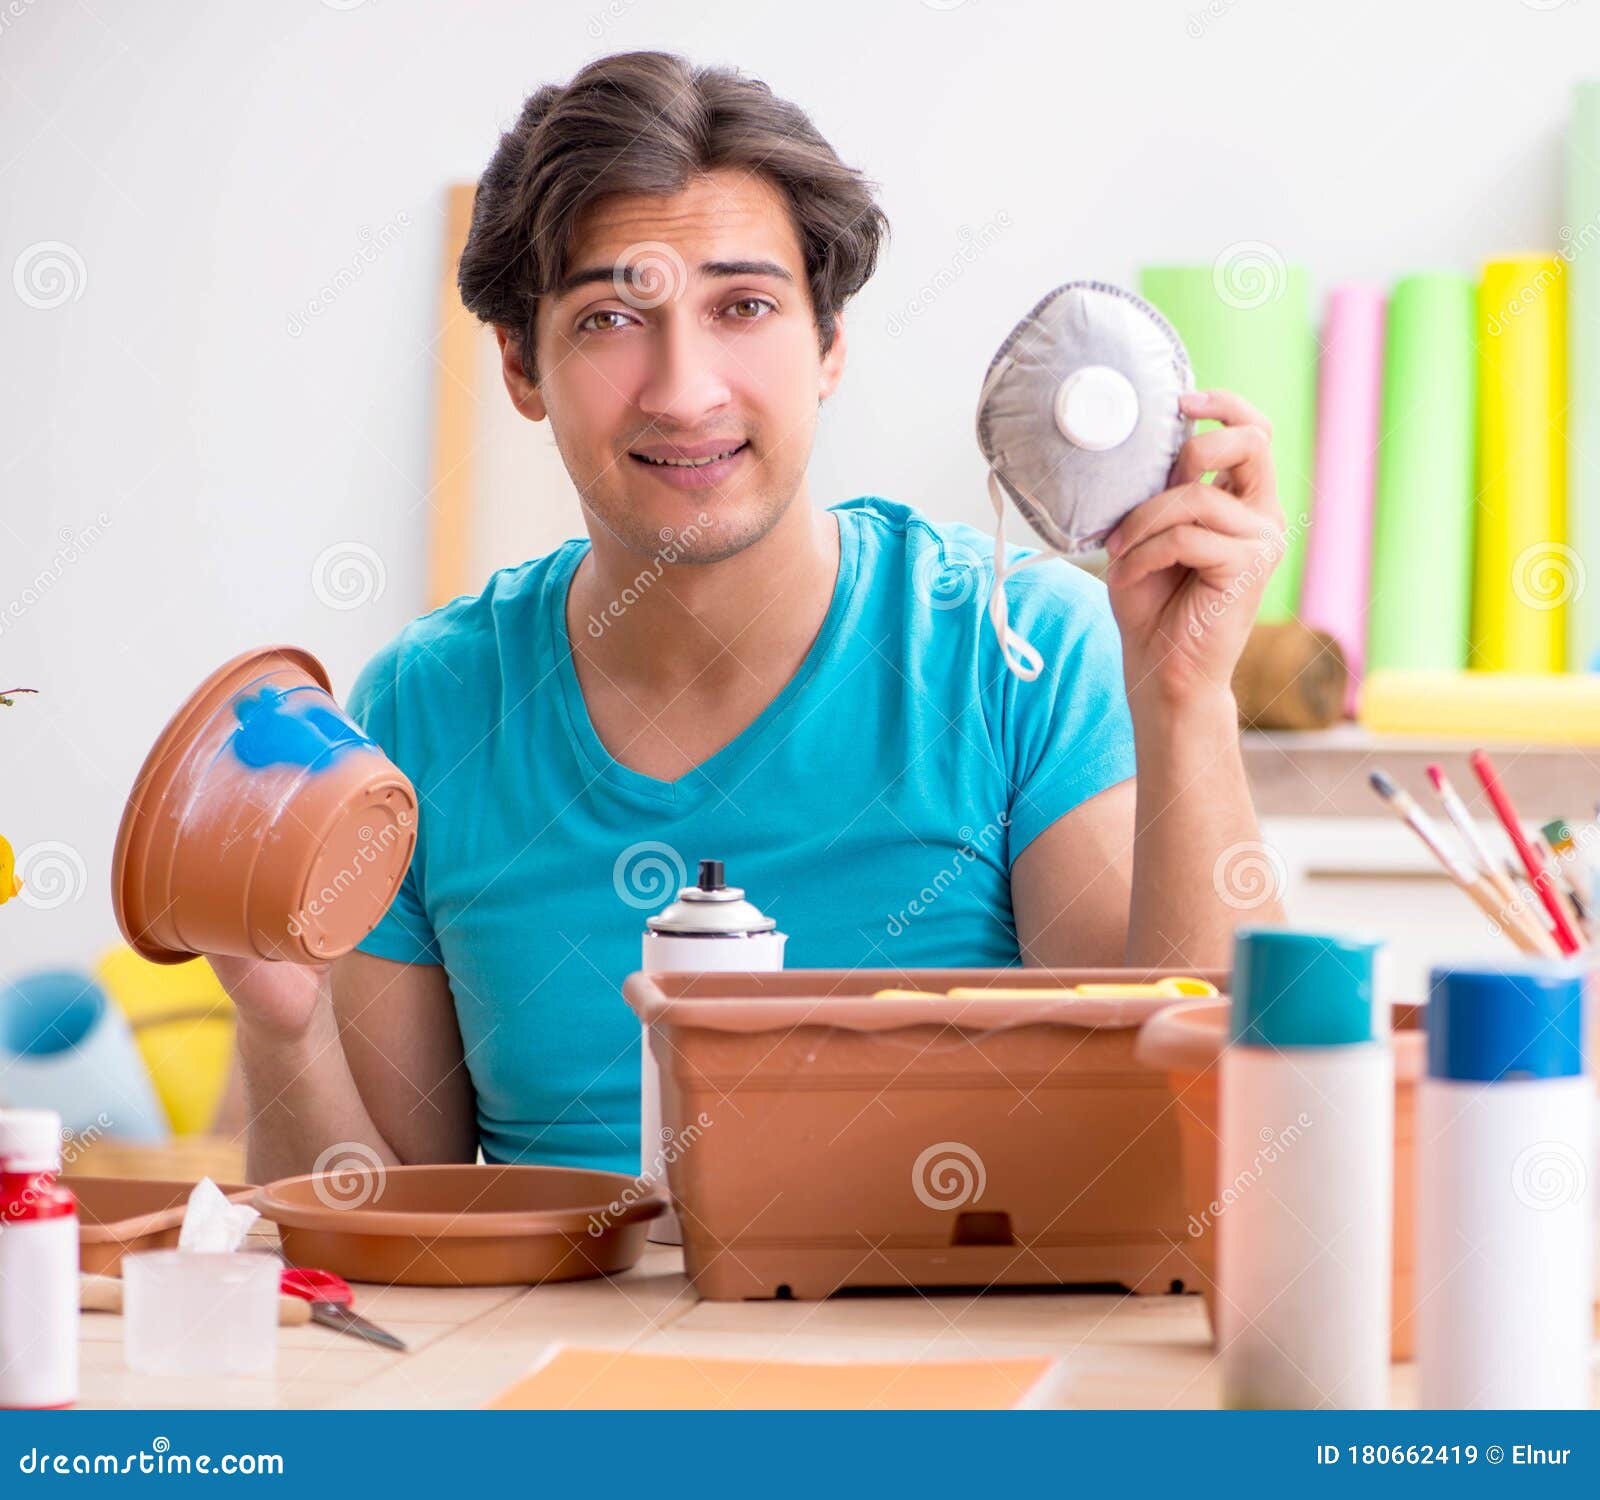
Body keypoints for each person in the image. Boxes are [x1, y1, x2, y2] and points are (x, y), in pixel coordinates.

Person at [212, 50, 1285, 1184]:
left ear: (827, 347)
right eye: (612, 318)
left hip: (941, 1342)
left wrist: (1185, 700)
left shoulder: (1020, 655)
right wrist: (283, 1022)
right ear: (521, 368)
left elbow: (1189, 1142)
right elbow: (388, 1218)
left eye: (744, 307)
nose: (684, 388)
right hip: (558, 1351)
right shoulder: (426, 707)